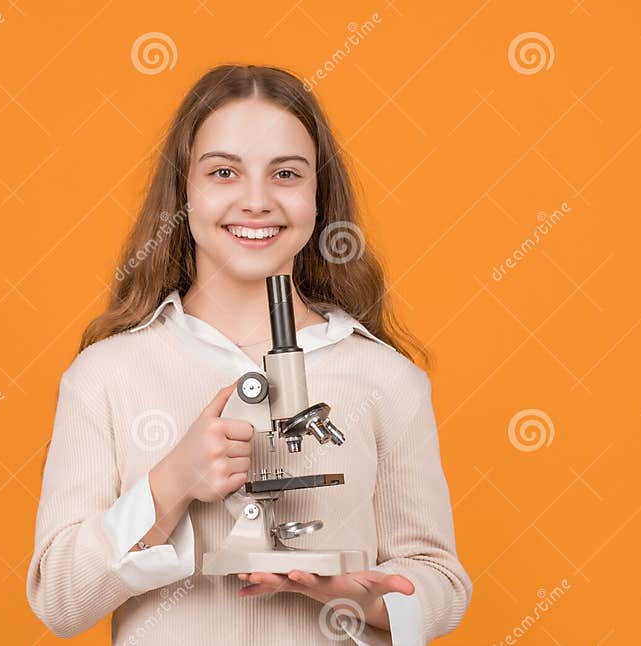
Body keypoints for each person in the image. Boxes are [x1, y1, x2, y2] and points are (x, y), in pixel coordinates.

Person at [26, 64, 472, 645]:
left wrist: (357, 595)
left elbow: (439, 581)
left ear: (318, 195)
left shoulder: (386, 379)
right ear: (184, 191)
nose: (256, 201)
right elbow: (59, 601)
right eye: (224, 172)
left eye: (285, 173)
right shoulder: (107, 375)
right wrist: (171, 484)